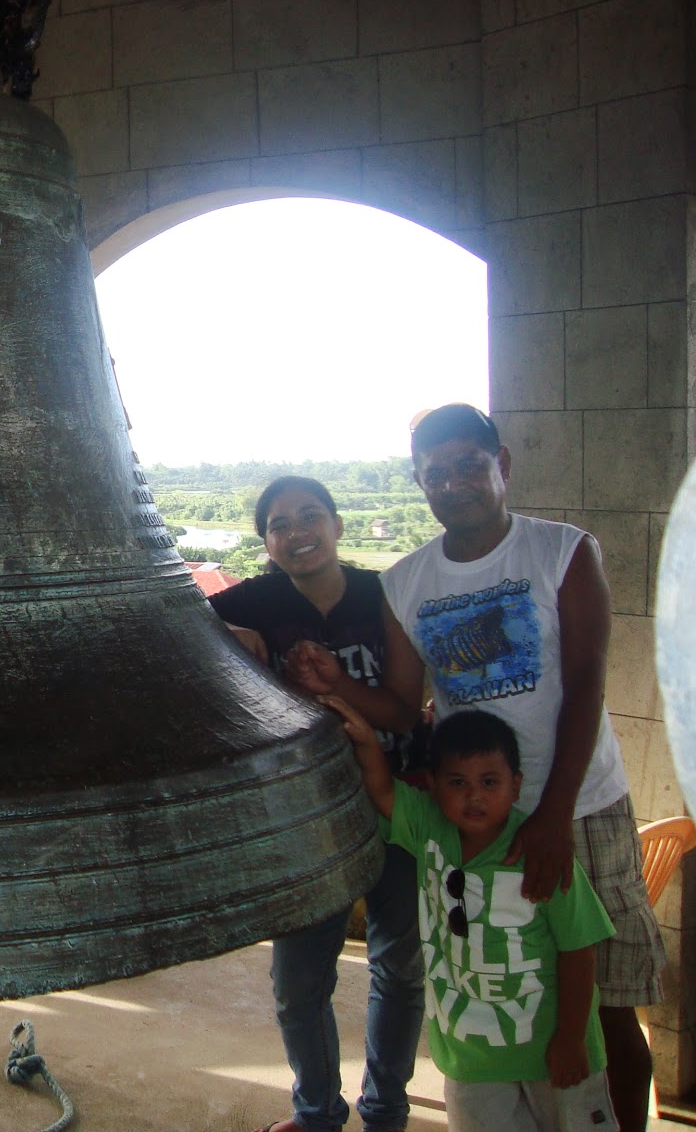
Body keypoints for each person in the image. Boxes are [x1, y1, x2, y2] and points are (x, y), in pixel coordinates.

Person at [380, 403, 662, 1132]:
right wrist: (316, 686)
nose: (453, 484)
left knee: (606, 1007)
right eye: (433, 474)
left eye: (469, 465)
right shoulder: (406, 582)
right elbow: (403, 708)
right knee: (507, 995)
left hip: (579, 807)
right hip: (473, 816)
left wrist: (554, 814)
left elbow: (588, 681)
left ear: (502, 465)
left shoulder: (562, 551)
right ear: (420, 484)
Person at [208, 476, 424, 1132]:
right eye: (280, 524)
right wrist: (228, 632)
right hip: (306, 816)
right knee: (298, 985)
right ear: (266, 542)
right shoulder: (257, 598)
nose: (297, 532)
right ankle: (318, 1112)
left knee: (399, 967)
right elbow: (168, 616)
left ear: (335, 524)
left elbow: (405, 714)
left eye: (310, 517)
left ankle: (385, 1111)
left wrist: (337, 686)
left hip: (395, 800)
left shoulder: (380, 595)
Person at [329, 696, 619, 1131]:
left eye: (489, 782)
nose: (473, 797)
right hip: (471, 1058)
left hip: (553, 1052)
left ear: (516, 785)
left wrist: (571, 1039)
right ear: (433, 784)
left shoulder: (540, 854)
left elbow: (579, 949)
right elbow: (383, 789)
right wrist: (364, 737)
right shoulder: (428, 830)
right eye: (458, 782)